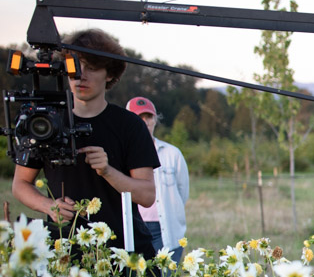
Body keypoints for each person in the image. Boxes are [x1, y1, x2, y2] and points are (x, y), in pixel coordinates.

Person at [10, 28, 157, 257]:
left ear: (109, 74)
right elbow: (20, 184)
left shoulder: (130, 125)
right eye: (75, 66)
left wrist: (108, 171)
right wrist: (48, 206)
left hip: (123, 253)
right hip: (64, 251)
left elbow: (147, 196)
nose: (81, 75)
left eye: (92, 67)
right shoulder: (44, 122)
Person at [127, 96, 190, 264]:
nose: (145, 121)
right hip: (135, 226)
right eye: (139, 117)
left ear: (155, 120)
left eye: (148, 117)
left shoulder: (172, 153)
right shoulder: (122, 156)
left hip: (166, 228)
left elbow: (183, 191)